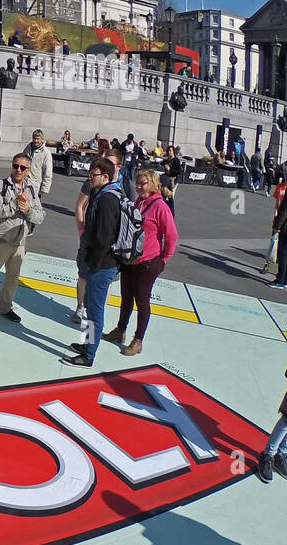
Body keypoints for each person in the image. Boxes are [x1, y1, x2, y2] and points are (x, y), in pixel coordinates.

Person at [102, 169, 176, 355]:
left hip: (149, 262)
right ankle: (120, 330)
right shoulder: (139, 202)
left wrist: (163, 259)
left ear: (152, 184)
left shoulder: (160, 206)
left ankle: (138, 339)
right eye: (138, 183)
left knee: (142, 300)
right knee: (126, 297)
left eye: (143, 183)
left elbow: (172, 236)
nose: (139, 187)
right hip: (131, 259)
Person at [62, 157, 123, 367]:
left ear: (105, 176)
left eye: (93, 175)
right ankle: (87, 345)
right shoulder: (100, 193)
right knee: (89, 308)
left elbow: (104, 237)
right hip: (95, 262)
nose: (89, 178)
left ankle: (89, 356)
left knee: (95, 312)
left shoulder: (108, 199)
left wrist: (92, 261)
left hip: (101, 264)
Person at [0, 153, 45, 324]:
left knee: (12, 278)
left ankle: (5, 307)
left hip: (20, 240)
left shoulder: (31, 189)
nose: (18, 170)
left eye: (23, 168)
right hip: (1, 239)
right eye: (15, 166)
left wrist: (28, 210)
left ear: (29, 170)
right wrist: (15, 204)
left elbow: (40, 216)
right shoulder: (1, 185)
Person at [22, 129, 54, 201]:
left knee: (33, 209)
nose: (35, 141)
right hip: (23, 183)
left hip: (35, 185)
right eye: (34, 138)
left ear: (42, 139)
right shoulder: (28, 148)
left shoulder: (46, 153)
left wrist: (43, 189)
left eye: (37, 139)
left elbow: (48, 172)